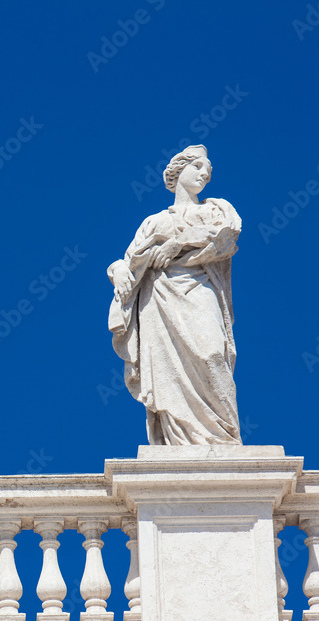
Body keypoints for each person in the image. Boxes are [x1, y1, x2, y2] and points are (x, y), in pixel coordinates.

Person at [107, 145, 241, 446]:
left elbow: (226, 238)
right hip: (159, 298)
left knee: (212, 353)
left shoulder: (214, 210)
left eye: (208, 171)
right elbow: (128, 260)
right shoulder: (154, 221)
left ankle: (223, 437)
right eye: (198, 167)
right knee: (168, 370)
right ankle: (179, 439)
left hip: (199, 288)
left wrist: (176, 243)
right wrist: (116, 271)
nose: (205, 173)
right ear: (179, 171)